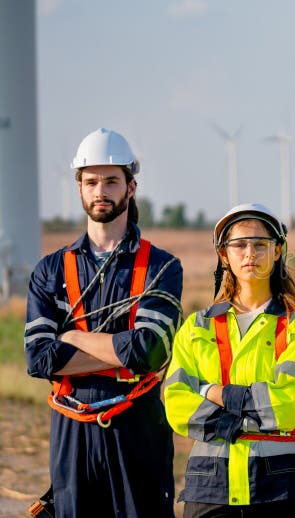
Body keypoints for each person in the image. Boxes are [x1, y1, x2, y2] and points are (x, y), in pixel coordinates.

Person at [24, 128, 184, 517]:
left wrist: (74, 336)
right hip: (71, 428)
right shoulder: (50, 270)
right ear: (79, 188)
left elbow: (148, 352)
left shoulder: (161, 266)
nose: (101, 191)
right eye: (91, 181)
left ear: (131, 187)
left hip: (137, 426)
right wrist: (119, 352)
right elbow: (39, 359)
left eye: (111, 181)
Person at [164, 203, 295, 518]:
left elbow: (287, 405)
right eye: (239, 245)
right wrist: (250, 414)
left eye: (260, 244)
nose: (249, 252)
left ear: (277, 251)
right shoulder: (197, 326)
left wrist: (211, 391)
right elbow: (175, 403)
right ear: (224, 254)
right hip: (211, 485)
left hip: (282, 483)